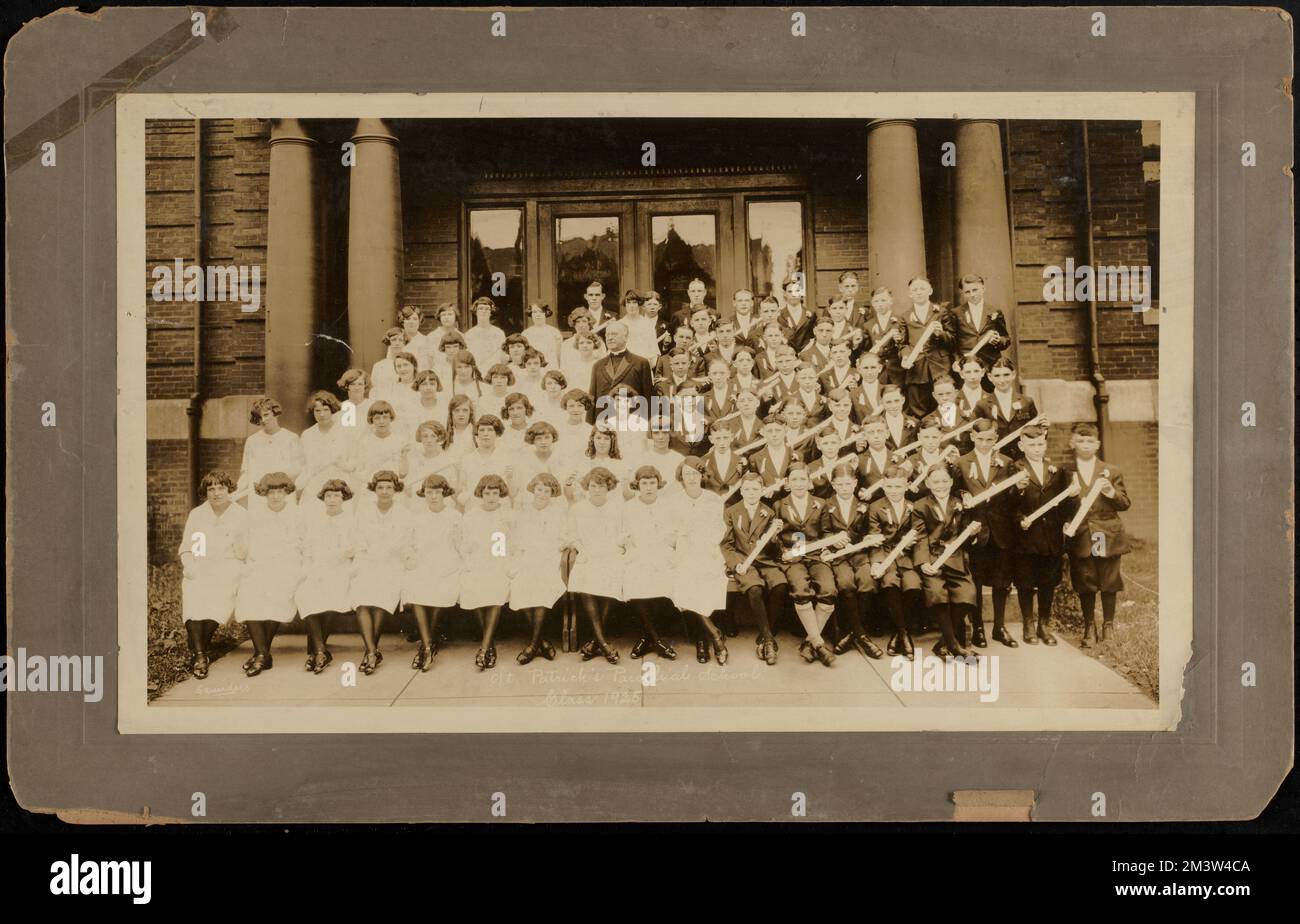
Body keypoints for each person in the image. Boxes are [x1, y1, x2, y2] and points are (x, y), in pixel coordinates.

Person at [1061, 422, 1130, 645]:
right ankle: (1089, 626)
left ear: (1097, 444)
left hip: (1105, 532)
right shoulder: (1065, 472)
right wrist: (1064, 520)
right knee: (1085, 580)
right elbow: (1058, 507)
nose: (1085, 445)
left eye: (1090, 441)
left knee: (1108, 579)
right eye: (1080, 440)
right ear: (1072, 443)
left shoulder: (1111, 471)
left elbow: (1125, 503)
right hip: (1080, 532)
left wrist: (1111, 492)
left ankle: (1108, 626)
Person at [1005, 425, 1073, 647]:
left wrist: (1067, 519)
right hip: (1025, 536)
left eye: (1040, 444)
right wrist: (1018, 517)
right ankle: (1028, 623)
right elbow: (1006, 504)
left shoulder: (1056, 469)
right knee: (1025, 581)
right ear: (1021, 445)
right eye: (1031, 445)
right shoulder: (1014, 468)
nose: (1036, 449)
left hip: (1050, 535)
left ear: (1045, 444)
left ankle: (1044, 624)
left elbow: (1064, 502)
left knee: (1048, 581)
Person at [178, 470, 249, 679]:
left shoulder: (241, 514)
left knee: (218, 596)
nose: (216, 493)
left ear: (229, 490)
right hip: (202, 563)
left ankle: (197, 646)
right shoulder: (198, 514)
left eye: (221, 488)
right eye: (211, 489)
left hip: (230, 565)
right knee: (193, 590)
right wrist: (190, 565)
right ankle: (200, 654)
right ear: (205, 492)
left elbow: (244, 553)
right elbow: (190, 547)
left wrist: (238, 540)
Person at [956, 419, 1019, 647]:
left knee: (1002, 582)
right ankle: (978, 628)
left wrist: (1016, 490)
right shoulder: (961, 463)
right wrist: (963, 495)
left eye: (990, 439)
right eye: (980, 439)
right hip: (976, 531)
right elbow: (954, 492)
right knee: (977, 581)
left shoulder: (1006, 462)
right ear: (972, 437)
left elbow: (1012, 499)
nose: (985, 444)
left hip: (1001, 531)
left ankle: (999, 627)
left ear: (996, 439)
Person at [912, 463, 984, 659]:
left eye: (945, 481)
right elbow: (920, 537)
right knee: (938, 594)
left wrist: (973, 531)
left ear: (952, 482)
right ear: (927, 482)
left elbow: (965, 532)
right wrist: (923, 562)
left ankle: (943, 643)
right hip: (933, 558)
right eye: (935, 481)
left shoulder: (959, 503)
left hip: (955, 556)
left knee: (968, 595)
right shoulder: (920, 506)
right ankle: (954, 645)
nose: (940, 485)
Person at [234, 472, 302, 677]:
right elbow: (246, 543)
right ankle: (263, 653)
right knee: (249, 594)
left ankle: (261, 654)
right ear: (264, 493)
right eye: (271, 492)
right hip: (259, 564)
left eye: (280, 491)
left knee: (276, 596)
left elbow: (299, 543)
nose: (275, 496)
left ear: (286, 492)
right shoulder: (255, 515)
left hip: (287, 565)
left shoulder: (296, 514)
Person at [349, 469, 412, 675]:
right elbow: (358, 536)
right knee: (361, 600)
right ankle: (372, 651)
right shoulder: (364, 510)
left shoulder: (403, 512)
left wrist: (386, 554)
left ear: (395, 489)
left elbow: (402, 542)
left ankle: (370, 653)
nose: (384, 491)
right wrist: (367, 554)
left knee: (379, 601)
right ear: (374, 489)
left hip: (391, 564)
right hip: (367, 561)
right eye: (380, 487)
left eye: (389, 487)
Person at [721, 471, 788, 664]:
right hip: (743, 561)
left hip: (764, 560)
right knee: (754, 588)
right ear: (741, 491)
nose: (751, 493)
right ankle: (768, 640)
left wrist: (774, 536)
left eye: (755, 489)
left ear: (762, 491)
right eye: (747, 489)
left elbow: (773, 547)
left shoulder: (769, 512)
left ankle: (764, 634)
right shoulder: (731, 511)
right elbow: (726, 544)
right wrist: (736, 563)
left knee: (781, 585)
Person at [820, 462, 885, 658]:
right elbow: (823, 532)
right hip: (838, 556)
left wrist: (864, 540)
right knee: (846, 584)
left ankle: (851, 635)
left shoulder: (865, 506)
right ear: (833, 484)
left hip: (858, 554)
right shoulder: (826, 505)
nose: (844, 488)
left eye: (848, 484)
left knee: (867, 582)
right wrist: (833, 541)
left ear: (856, 483)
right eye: (840, 484)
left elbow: (868, 532)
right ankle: (862, 636)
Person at [775, 463, 837, 665]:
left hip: (816, 555)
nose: (799, 483)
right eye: (794, 479)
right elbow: (773, 537)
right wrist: (781, 551)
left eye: (803, 479)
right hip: (793, 558)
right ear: (787, 483)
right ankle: (819, 644)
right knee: (801, 590)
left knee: (828, 590)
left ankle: (810, 643)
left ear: (809, 482)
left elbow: (827, 532)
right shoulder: (779, 505)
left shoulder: (820, 503)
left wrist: (828, 547)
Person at [669, 458, 730, 664]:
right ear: (681, 477)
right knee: (683, 580)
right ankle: (712, 635)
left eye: (696, 473)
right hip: (683, 551)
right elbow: (671, 531)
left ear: (702, 475)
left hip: (707, 550)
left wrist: (706, 544)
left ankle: (703, 638)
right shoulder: (675, 500)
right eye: (687, 474)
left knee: (706, 580)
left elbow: (718, 529)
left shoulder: (713, 500)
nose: (692, 478)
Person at [402, 474, 462, 671]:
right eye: (429, 492)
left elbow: (460, 544)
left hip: (448, 562)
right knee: (417, 591)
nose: (434, 496)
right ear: (424, 494)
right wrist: (411, 558)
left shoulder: (454, 516)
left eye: (437, 492)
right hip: (423, 562)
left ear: (444, 493)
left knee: (442, 589)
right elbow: (409, 543)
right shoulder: (416, 516)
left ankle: (428, 641)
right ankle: (428, 645)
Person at [566, 467, 625, 663]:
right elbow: (571, 535)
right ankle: (604, 644)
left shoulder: (617, 508)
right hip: (588, 554)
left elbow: (623, 534)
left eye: (601, 486)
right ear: (586, 487)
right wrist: (582, 549)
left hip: (610, 553)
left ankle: (596, 641)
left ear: (608, 487)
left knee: (612, 574)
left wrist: (617, 548)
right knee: (584, 577)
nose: (597, 490)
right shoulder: (578, 509)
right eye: (592, 486)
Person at [621, 465, 680, 660]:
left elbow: (674, 534)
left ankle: (647, 637)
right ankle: (657, 640)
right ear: (637, 485)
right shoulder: (629, 507)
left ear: (658, 484)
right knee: (635, 579)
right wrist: (634, 547)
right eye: (644, 483)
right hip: (637, 553)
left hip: (662, 553)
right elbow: (624, 534)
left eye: (652, 483)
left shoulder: (668, 505)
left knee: (664, 579)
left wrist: (661, 547)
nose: (648, 487)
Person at [296, 479, 355, 674]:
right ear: (323, 498)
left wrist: (336, 558)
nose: (332, 500)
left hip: (341, 567)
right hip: (316, 567)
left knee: (333, 595)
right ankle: (320, 651)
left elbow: (351, 549)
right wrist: (309, 568)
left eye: (336, 495)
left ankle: (316, 651)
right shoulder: (316, 520)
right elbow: (308, 547)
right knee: (305, 594)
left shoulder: (351, 520)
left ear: (343, 497)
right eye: (328, 496)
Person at [508, 473, 567, 664]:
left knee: (542, 584)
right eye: (539, 489)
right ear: (533, 489)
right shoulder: (523, 511)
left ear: (553, 493)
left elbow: (562, 538)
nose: (542, 494)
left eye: (547, 491)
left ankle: (533, 645)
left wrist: (550, 550)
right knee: (520, 584)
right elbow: (515, 539)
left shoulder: (557, 513)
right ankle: (541, 642)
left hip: (548, 558)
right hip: (526, 557)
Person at [867, 464, 922, 659]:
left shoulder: (913, 507)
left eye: (898, 487)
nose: (894, 491)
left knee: (913, 585)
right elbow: (874, 539)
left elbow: (919, 534)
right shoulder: (875, 507)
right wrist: (877, 562)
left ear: (907, 486)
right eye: (889, 487)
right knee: (890, 583)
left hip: (907, 556)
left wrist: (910, 545)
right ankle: (904, 635)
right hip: (886, 554)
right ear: (883, 486)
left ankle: (898, 633)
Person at [459, 475, 514, 669]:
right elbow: (464, 544)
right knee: (472, 587)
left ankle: (484, 648)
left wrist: (507, 564)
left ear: (501, 494)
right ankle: (489, 645)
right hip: (476, 561)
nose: (491, 497)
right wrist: (469, 562)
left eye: (495, 493)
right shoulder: (472, 515)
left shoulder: (507, 514)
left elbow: (512, 543)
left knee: (495, 589)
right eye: (487, 493)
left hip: (499, 561)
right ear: (481, 494)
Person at [898, 276, 954, 418]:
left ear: (930, 290)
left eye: (922, 288)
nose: (919, 292)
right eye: (914, 290)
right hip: (916, 369)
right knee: (918, 410)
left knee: (945, 407)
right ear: (910, 294)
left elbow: (952, 340)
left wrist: (940, 333)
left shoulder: (941, 312)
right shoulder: (904, 317)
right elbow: (902, 344)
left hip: (940, 367)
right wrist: (905, 356)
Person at [237, 398, 304, 509]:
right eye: (259, 417)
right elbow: (246, 471)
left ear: (275, 414)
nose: (263, 420)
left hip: (282, 494)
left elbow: (298, 469)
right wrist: (235, 491)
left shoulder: (291, 438)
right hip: (259, 495)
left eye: (266, 415)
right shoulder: (252, 441)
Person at [298, 391, 357, 507]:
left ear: (332, 410)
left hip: (340, 482)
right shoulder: (307, 435)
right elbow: (304, 463)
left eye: (326, 410)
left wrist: (341, 464)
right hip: (315, 483)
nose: (322, 414)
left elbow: (354, 462)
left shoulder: (345, 432)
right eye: (317, 411)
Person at [976, 358, 1040, 461]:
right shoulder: (982, 405)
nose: (1002, 380)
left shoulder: (1027, 402)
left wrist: (1044, 429)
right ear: (990, 377)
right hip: (996, 459)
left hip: (1023, 458)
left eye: (1006, 375)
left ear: (1013, 374)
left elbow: (1036, 433)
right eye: (997, 376)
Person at [947, 274, 1010, 372]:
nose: (972, 294)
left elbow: (1006, 338)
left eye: (975, 290)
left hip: (991, 364)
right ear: (963, 293)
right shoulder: (956, 313)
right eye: (967, 292)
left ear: (983, 289)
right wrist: (957, 360)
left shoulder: (995, 311)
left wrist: (998, 340)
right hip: (967, 365)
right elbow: (952, 342)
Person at [588, 320, 654, 412]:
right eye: (608, 335)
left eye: (614, 334)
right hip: (604, 421)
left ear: (626, 337)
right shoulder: (597, 365)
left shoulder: (641, 363)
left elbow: (648, 399)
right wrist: (591, 425)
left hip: (632, 420)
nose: (610, 338)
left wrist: (648, 424)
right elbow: (592, 400)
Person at [458, 414, 516, 508]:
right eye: (482, 430)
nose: (485, 434)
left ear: (496, 433)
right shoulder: (467, 460)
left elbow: (512, 494)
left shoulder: (506, 458)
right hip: (475, 510)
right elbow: (461, 494)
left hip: (500, 511)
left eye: (490, 430)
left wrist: (509, 479)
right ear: (477, 434)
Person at [353, 401, 409, 486]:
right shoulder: (365, 442)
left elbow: (403, 473)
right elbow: (360, 471)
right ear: (372, 420)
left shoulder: (400, 441)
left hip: (394, 486)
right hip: (371, 485)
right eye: (377, 418)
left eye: (385, 417)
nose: (381, 421)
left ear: (391, 418)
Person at [405, 420, 460, 505]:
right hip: (419, 506)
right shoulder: (414, 461)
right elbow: (410, 491)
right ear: (421, 439)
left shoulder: (449, 462)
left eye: (433, 436)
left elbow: (452, 493)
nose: (429, 440)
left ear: (439, 438)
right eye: (425, 436)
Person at [464, 296, 507, 373]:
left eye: (487, 309)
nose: (483, 311)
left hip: (495, 373)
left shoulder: (498, 333)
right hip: (476, 372)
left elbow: (504, 357)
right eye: (480, 308)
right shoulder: (469, 334)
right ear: (475, 311)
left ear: (491, 312)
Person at [523, 302, 563, 369]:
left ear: (546, 313)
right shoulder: (526, 333)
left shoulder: (554, 332)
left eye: (541, 312)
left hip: (551, 366)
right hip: (533, 367)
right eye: (535, 312)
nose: (538, 315)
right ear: (531, 314)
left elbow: (559, 354)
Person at [369, 327, 409, 394]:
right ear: (388, 342)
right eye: (394, 340)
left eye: (400, 340)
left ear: (404, 343)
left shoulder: (410, 365)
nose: (397, 343)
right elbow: (375, 390)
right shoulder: (379, 366)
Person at [397, 304, 433, 373]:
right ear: (402, 321)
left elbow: (429, 365)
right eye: (408, 319)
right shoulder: (396, 340)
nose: (411, 322)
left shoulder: (426, 340)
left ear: (419, 321)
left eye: (415, 319)